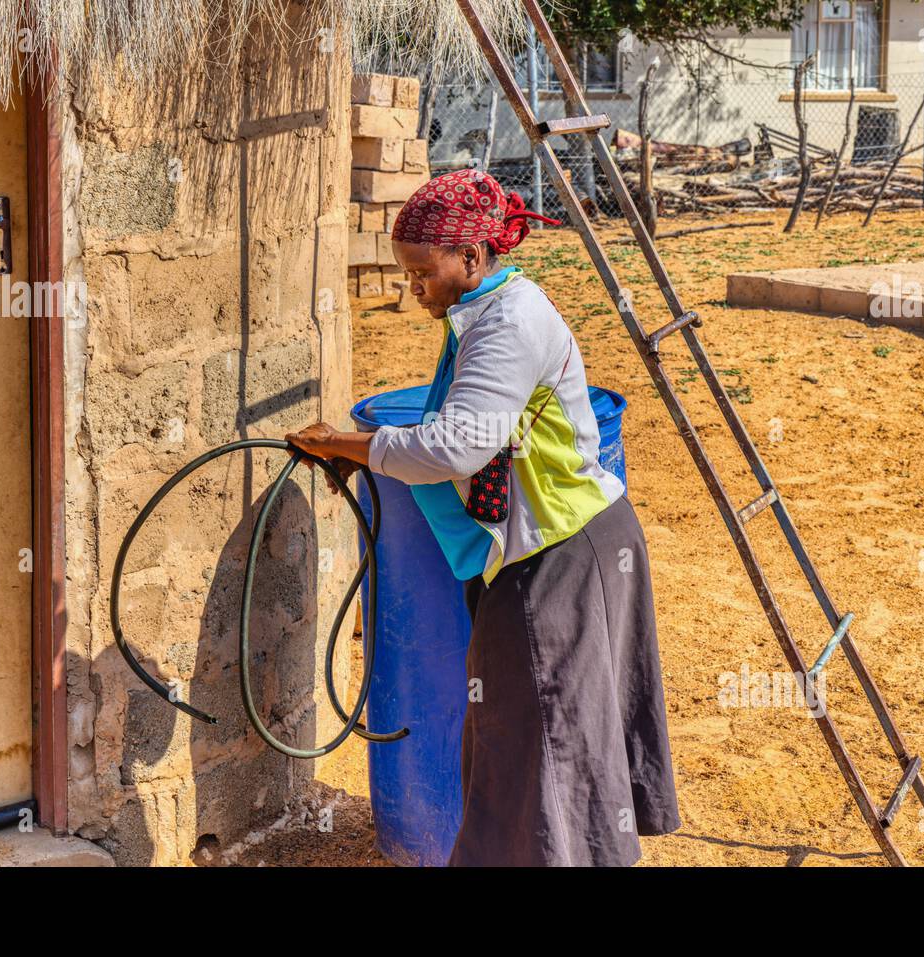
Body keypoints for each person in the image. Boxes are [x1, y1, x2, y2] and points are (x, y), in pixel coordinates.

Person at [286, 168, 681, 866]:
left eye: (421, 272)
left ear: (471, 258)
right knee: (533, 752)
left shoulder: (508, 323)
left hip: (559, 556)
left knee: (544, 756)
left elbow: (457, 443)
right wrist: (364, 456)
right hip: (560, 547)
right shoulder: (485, 311)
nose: (414, 288)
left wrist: (347, 444)